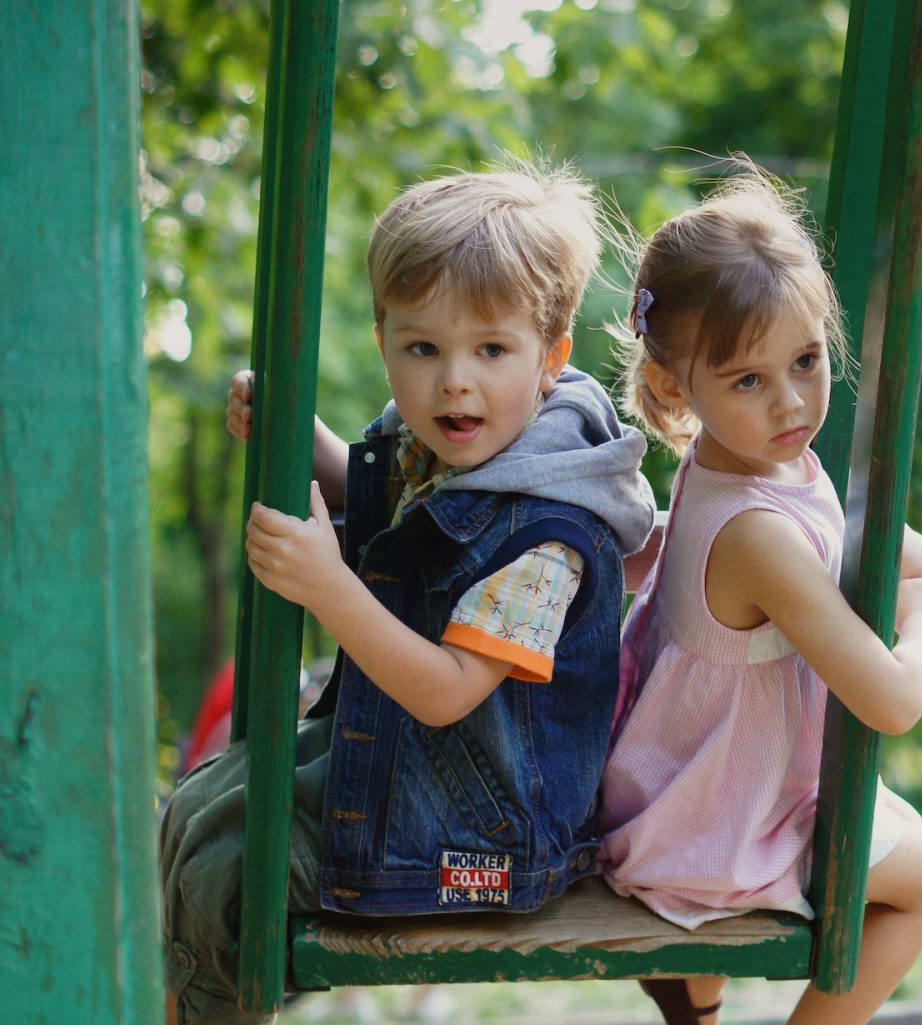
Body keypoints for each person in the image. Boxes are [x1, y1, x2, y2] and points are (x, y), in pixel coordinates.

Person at [160, 159, 658, 1025]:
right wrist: (290, 429)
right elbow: (376, 496)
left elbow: (445, 691)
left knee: (228, 871)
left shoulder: (549, 533)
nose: (453, 380)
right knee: (197, 805)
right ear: (385, 337)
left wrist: (327, 584)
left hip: (484, 831)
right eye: (421, 348)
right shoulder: (460, 438)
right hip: (416, 772)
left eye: (490, 350)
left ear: (552, 357)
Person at [598, 170, 922, 1025]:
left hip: (683, 776)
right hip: (715, 819)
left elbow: (828, 537)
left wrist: (907, 550)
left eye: (805, 360)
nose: (793, 401)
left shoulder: (739, 459)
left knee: (896, 842)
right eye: (747, 380)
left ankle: (695, 1001)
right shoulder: (755, 533)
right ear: (671, 387)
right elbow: (892, 698)